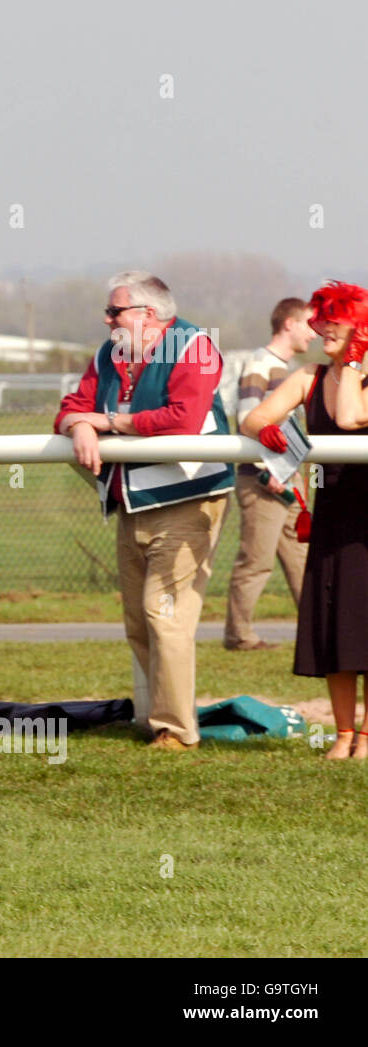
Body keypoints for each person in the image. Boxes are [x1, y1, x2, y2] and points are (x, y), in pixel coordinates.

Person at [56, 271, 233, 751]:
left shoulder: (194, 346)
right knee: (139, 618)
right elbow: (73, 404)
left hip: (189, 497)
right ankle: (155, 718)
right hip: (130, 500)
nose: (106, 318)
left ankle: (176, 731)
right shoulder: (108, 353)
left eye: (114, 311)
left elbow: (185, 417)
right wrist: (80, 427)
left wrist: (110, 421)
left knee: (164, 613)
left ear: (148, 315)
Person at [242, 282, 368, 759]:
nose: (322, 332)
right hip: (332, 515)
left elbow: (353, 417)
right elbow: (252, 419)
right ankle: (341, 735)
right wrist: (271, 431)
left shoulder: (360, 375)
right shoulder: (308, 376)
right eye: (321, 323)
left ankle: (367, 738)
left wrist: (355, 364)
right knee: (338, 628)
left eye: (335, 324)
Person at [223, 298, 315, 651]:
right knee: (256, 561)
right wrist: (269, 471)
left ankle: (314, 630)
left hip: (286, 481)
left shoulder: (287, 368)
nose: (314, 333)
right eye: (309, 324)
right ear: (289, 323)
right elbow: (250, 420)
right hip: (264, 483)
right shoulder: (260, 364)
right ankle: (239, 635)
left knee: (302, 560)